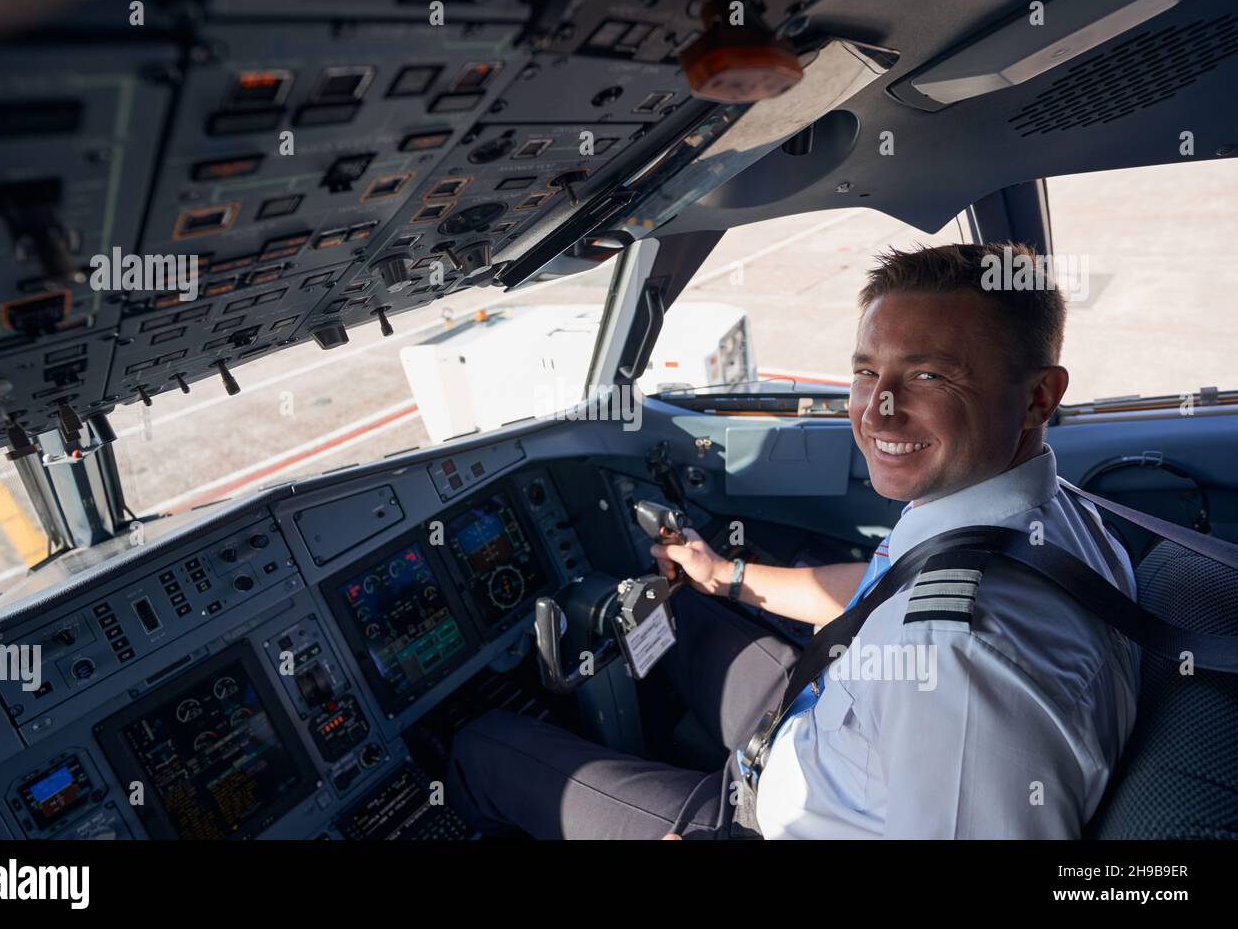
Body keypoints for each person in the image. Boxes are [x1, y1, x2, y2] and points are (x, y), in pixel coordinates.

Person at [445, 242, 1141, 839]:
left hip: (760, 819)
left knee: (483, 747)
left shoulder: (960, 664)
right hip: (830, 722)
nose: (878, 409)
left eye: (929, 374)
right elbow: (887, 583)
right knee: (671, 609)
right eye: (868, 371)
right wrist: (726, 574)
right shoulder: (1036, 511)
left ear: (1039, 397)